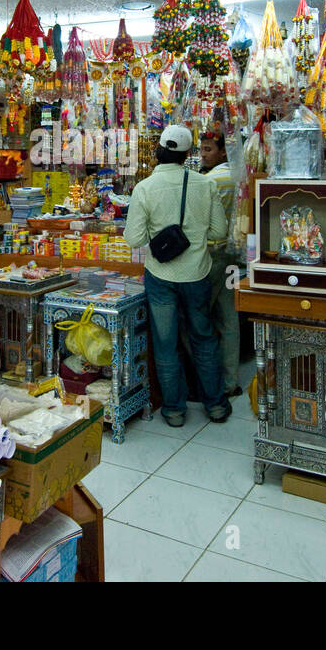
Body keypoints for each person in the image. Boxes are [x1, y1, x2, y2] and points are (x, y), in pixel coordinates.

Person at [124, 124, 231, 426]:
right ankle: (216, 405)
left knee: (166, 342)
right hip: (197, 273)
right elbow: (220, 231)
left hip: (160, 276)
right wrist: (196, 237)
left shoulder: (144, 188)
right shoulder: (204, 184)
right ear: (187, 154)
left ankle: (173, 409)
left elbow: (133, 239)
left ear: (159, 150)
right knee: (204, 338)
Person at [199, 129, 243, 397]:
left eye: (208, 150)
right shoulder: (239, 176)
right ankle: (230, 381)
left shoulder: (211, 180)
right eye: (201, 150)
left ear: (223, 151)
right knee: (228, 317)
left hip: (213, 256)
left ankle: (207, 382)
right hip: (233, 255)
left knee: (201, 317)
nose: (203, 155)